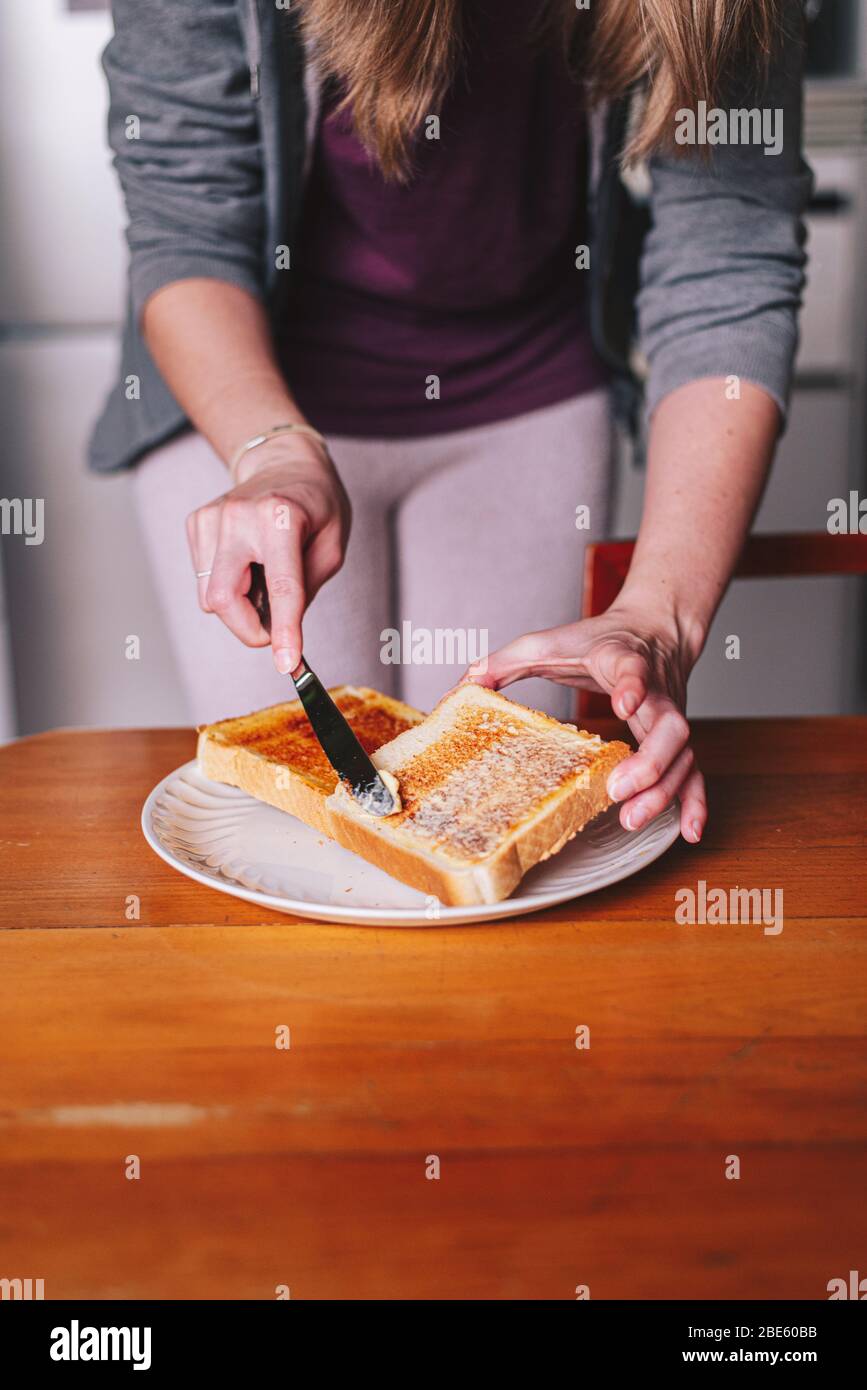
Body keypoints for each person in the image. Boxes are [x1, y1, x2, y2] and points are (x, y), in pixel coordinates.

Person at [90, 0, 812, 844]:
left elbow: (728, 259)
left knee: (486, 833)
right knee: (289, 839)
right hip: (247, 392)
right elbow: (186, 229)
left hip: (529, 384)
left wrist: (659, 617)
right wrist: (271, 452)